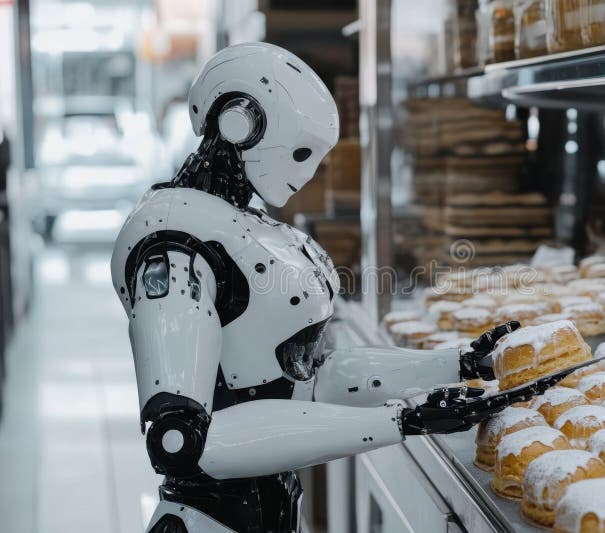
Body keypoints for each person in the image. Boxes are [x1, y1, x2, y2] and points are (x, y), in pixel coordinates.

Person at [110, 43, 517, 533]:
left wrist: (456, 363)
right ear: (241, 122)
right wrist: (400, 421)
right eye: (302, 152)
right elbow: (180, 440)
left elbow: (308, 378)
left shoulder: (238, 227)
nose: (310, 171)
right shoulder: (175, 247)